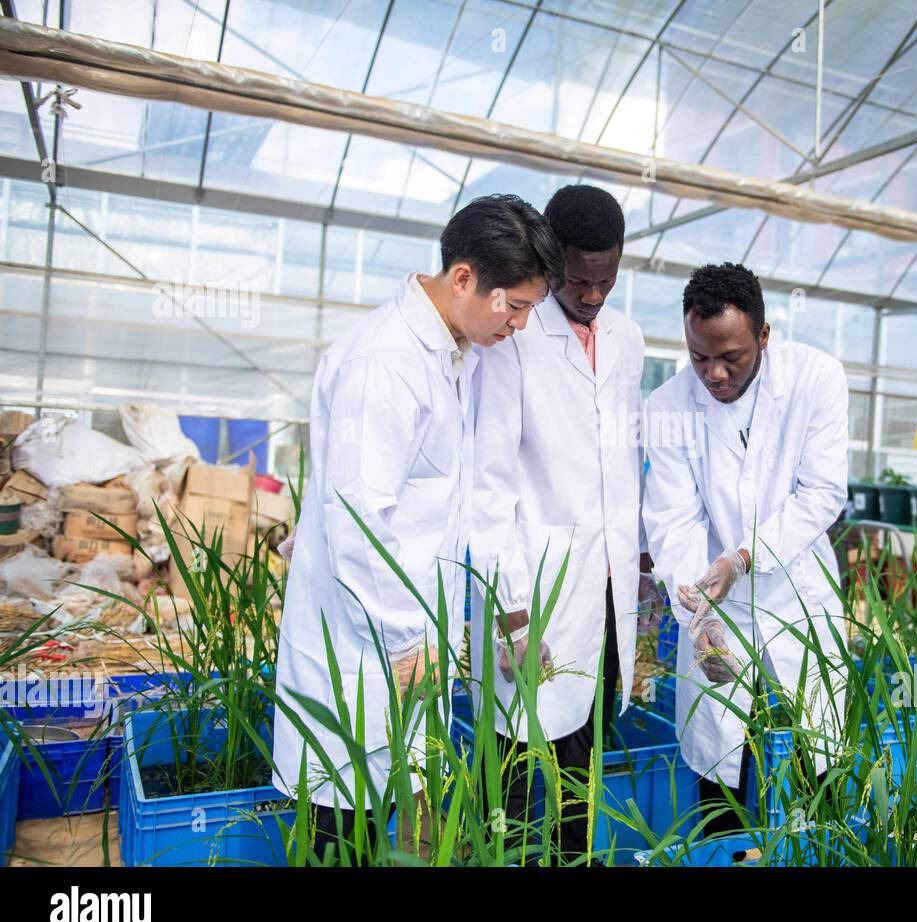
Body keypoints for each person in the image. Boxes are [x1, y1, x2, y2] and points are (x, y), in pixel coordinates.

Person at [271, 194, 565, 861]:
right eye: (514, 306)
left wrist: (504, 618)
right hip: (359, 654)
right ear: (464, 278)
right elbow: (357, 523)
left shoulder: (454, 356)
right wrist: (407, 642)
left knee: (390, 829)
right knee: (338, 833)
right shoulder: (384, 364)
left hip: (404, 652)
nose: (519, 325)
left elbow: (455, 508)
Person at [470, 184, 654, 859]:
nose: (593, 294)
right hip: (534, 588)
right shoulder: (514, 337)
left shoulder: (628, 341)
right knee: (517, 760)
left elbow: (622, 462)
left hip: (606, 590)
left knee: (585, 757)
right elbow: (488, 488)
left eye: (606, 279)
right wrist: (512, 612)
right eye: (578, 279)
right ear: (552, 260)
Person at [641, 261, 849, 834]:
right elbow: (672, 518)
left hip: (799, 596)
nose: (713, 373)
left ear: (763, 335)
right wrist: (700, 613)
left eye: (730, 357)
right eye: (698, 356)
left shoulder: (816, 379)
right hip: (717, 606)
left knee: (813, 762)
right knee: (720, 765)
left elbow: (822, 493)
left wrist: (744, 558)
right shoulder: (666, 406)